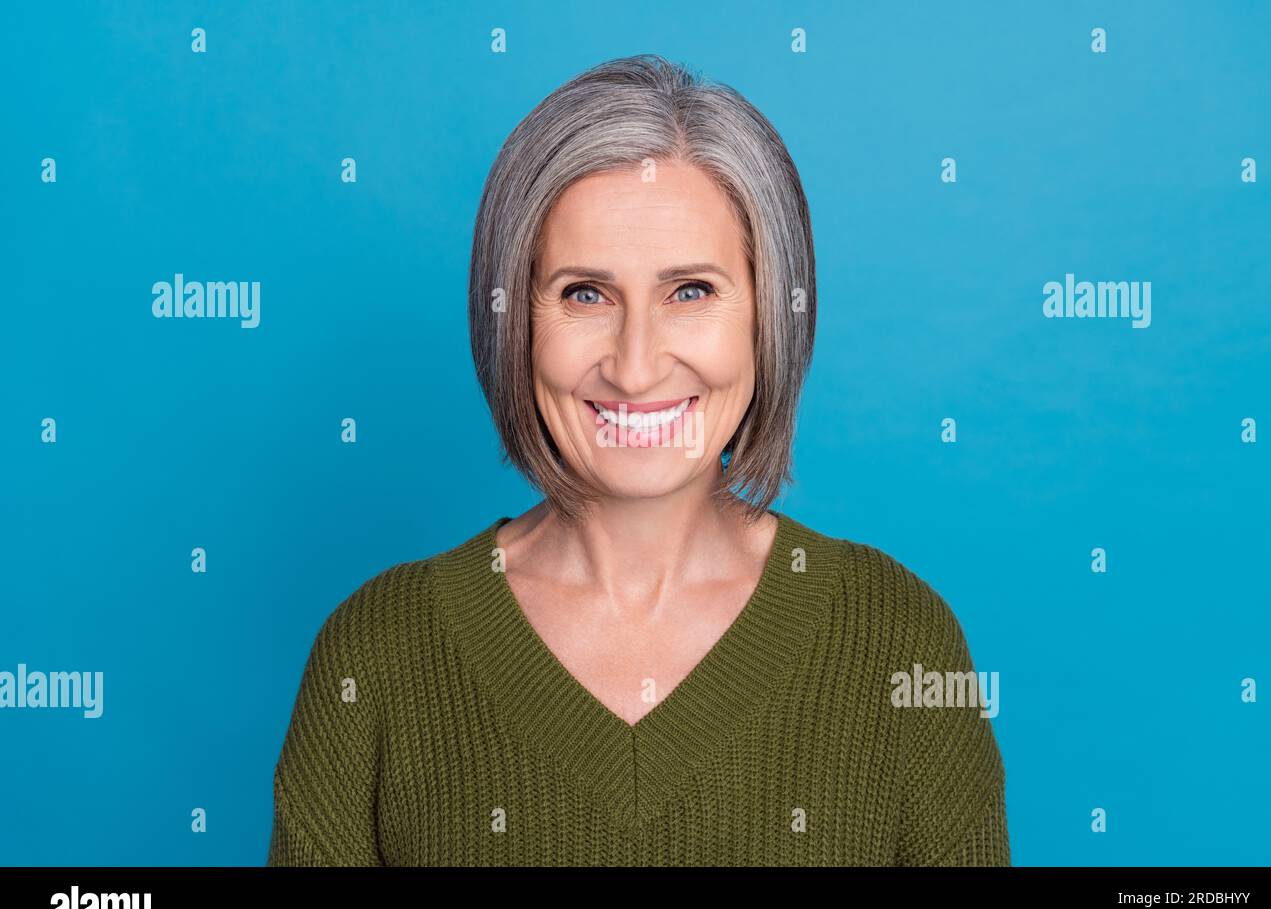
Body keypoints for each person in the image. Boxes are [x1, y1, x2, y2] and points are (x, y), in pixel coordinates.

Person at [267, 54, 1009, 866]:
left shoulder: (901, 643)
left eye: (690, 291)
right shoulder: (375, 657)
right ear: (514, 321)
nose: (635, 364)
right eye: (585, 293)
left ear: (771, 317)